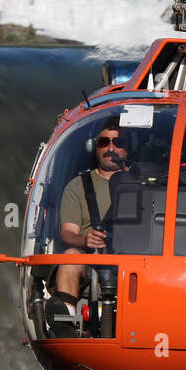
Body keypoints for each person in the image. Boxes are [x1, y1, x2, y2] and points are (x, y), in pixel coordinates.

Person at [55, 117, 127, 300]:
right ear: (95, 146)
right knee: (70, 257)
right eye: (104, 142)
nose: (111, 148)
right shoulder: (77, 186)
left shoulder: (146, 183)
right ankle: (66, 323)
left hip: (138, 263)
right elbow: (67, 232)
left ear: (128, 147)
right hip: (93, 262)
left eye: (118, 142)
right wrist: (84, 241)